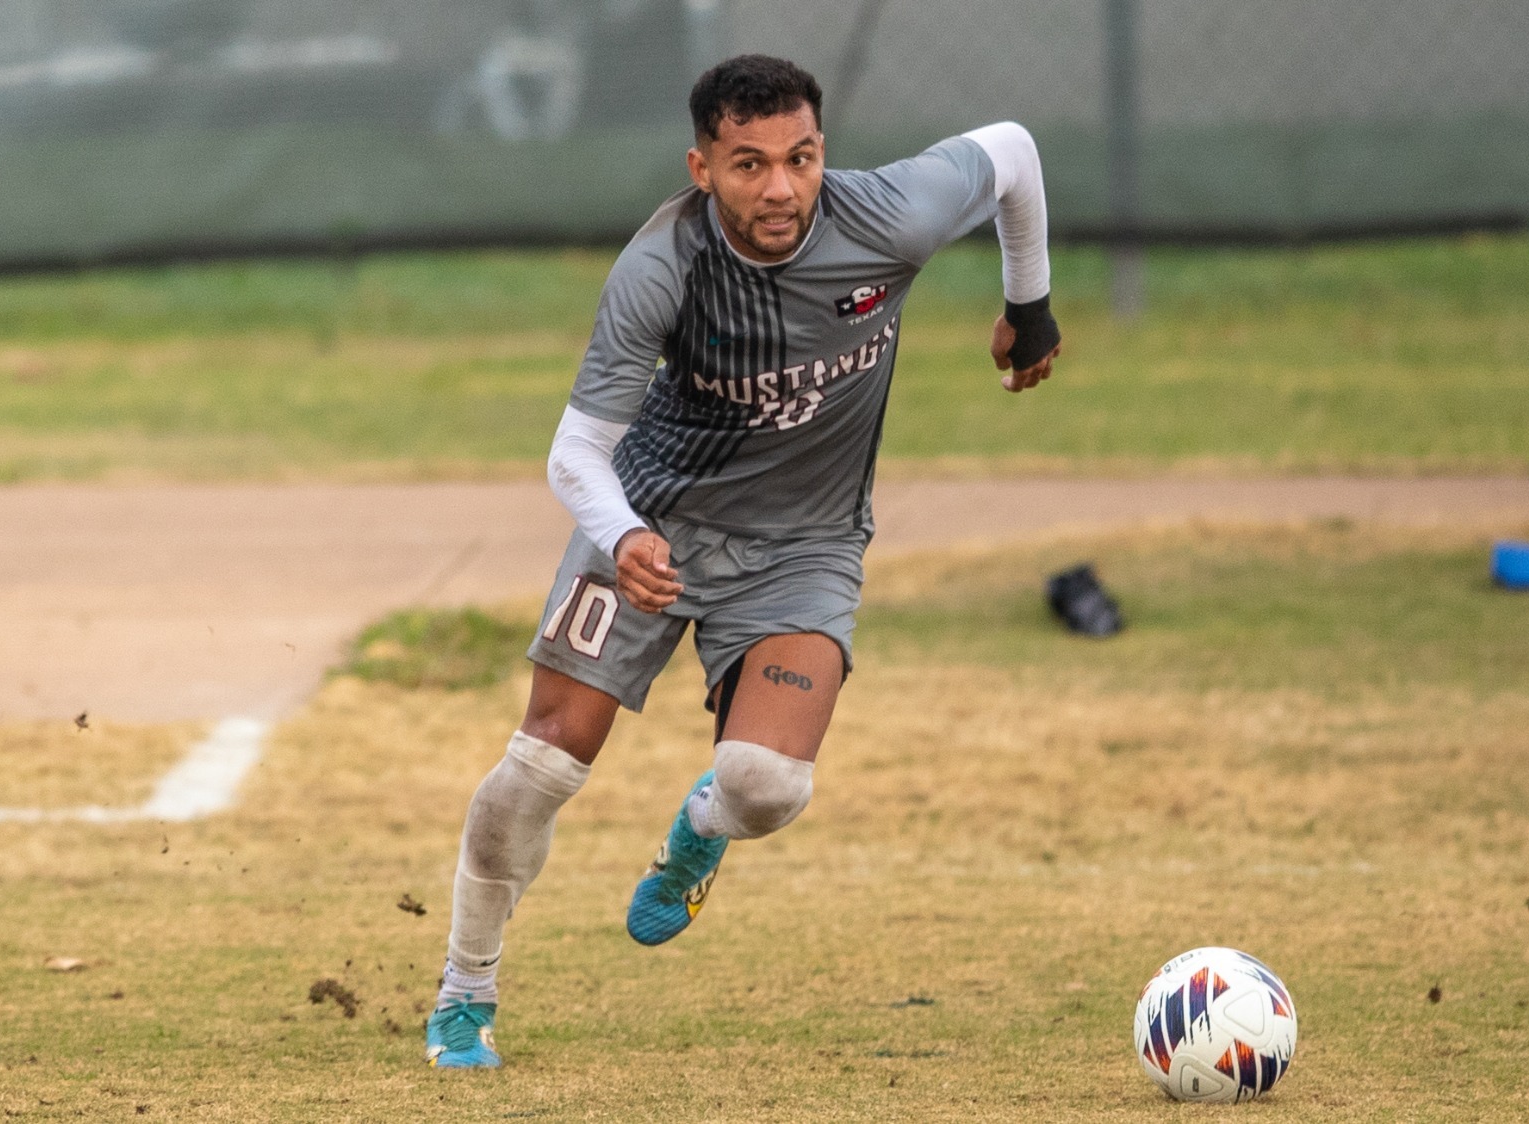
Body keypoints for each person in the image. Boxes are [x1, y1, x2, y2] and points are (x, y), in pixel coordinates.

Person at [424, 54, 1061, 1068]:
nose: (779, 188)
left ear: (822, 153)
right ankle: (465, 991)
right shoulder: (662, 268)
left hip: (805, 542)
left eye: (800, 159)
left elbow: (1014, 153)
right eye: (749, 164)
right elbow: (575, 452)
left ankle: (699, 828)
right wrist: (625, 535)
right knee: (541, 762)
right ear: (703, 168)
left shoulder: (887, 217)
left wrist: (1029, 307)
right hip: (652, 524)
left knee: (764, 784)